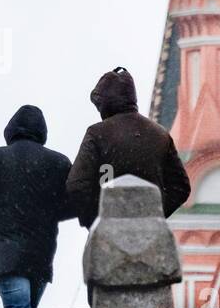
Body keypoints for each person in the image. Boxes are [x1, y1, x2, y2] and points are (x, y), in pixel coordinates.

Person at [0, 105, 73, 308]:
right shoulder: (59, 162)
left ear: (11, 129)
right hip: (41, 256)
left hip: (9, 255)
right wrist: (49, 210)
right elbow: (75, 201)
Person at [66, 67, 191, 229]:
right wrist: (154, 214)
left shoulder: (97, 133)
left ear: (105, 102)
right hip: (150, 232)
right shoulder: (160, 134)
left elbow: (76, 185)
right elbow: (181, 187)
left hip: (108, 231)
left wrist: (96, 220)